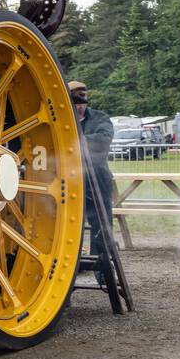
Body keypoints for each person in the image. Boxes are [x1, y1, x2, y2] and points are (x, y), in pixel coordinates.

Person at [69, 80, 115, 256]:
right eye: (76, 103)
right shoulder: (63, 120)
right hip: (72, 178)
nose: (80, 107)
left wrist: (73, 142)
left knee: (102, 223)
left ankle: (102, 265)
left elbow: (102, 141)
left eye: (82, 102)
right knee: (72, 223)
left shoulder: (100, 117)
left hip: (98, 177)